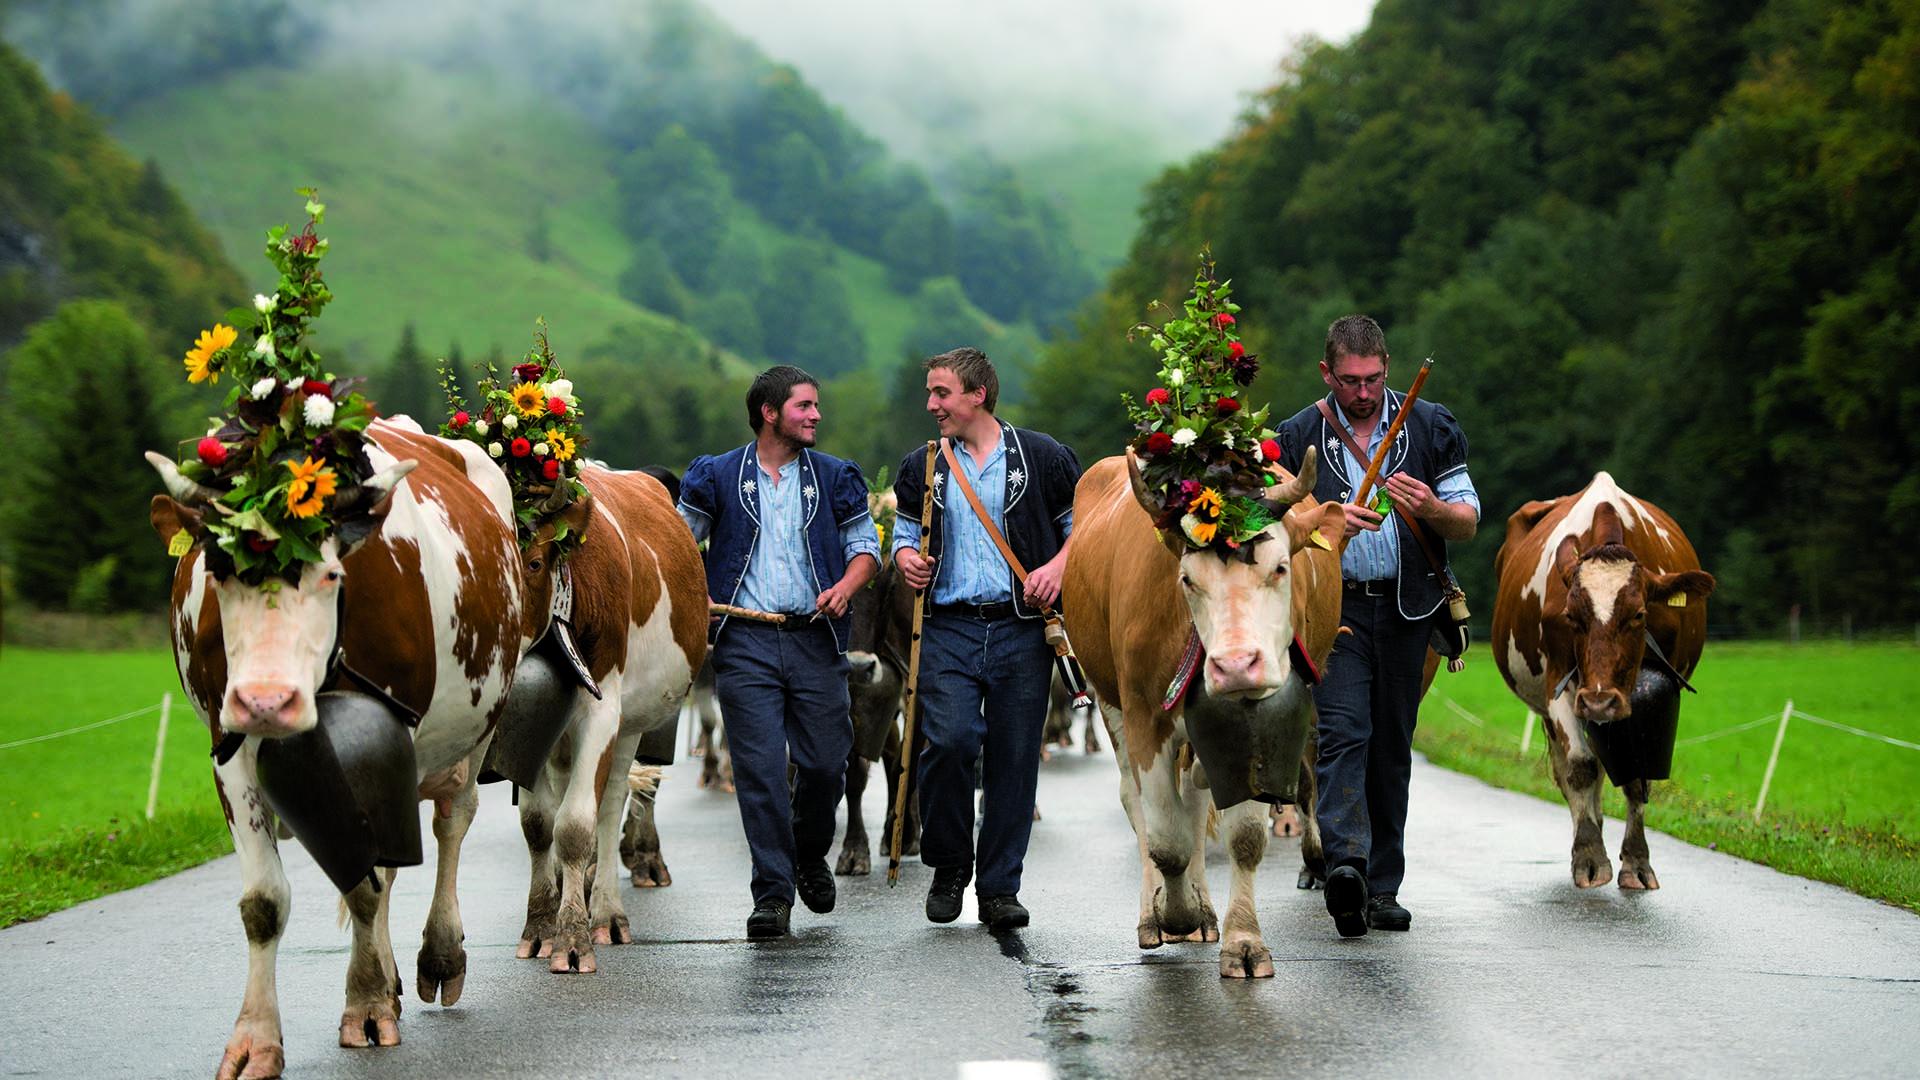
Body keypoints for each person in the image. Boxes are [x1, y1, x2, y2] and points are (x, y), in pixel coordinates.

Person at [1274, 315, 1478, 938]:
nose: (1362, 392)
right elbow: (1271, 528)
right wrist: (1325, 518)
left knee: (1391, 745)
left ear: (1388, 367)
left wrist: (1431, 507)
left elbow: (1467, 520)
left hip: (1408, 608)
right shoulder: (1297, 434)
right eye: (1349, 380)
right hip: (1334, 613)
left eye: (1373, 379)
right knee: (1343, 733)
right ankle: (1347, 869)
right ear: (1326, 373)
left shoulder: (1431, 424)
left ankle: (1384, 887)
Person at [678, 366, 881, 939]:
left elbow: (866, 549)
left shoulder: (835, 476)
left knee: (825, 764)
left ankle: (809, 851)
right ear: (770, 413)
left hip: (817, 637)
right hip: (744, 641)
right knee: (761, 771)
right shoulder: (718, 475)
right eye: (804, 406)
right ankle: (772, 894)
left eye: (816, 406)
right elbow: (678, 544)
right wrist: (693, 589)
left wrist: (846, 586)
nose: (816, 415)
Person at [892, 347, 1081, 931]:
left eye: (941, 393)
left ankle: (1000, 887)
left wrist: (1057, 568)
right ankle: (950, 866)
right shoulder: (922, 464)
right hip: (947, 624)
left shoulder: (1043, 456)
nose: (931, 404)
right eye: (930, 392)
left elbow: (1081, 531)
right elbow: (903, 533)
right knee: (948, 741)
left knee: (1014, 757)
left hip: (1020, 627)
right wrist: (905, 559)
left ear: (977, 395)